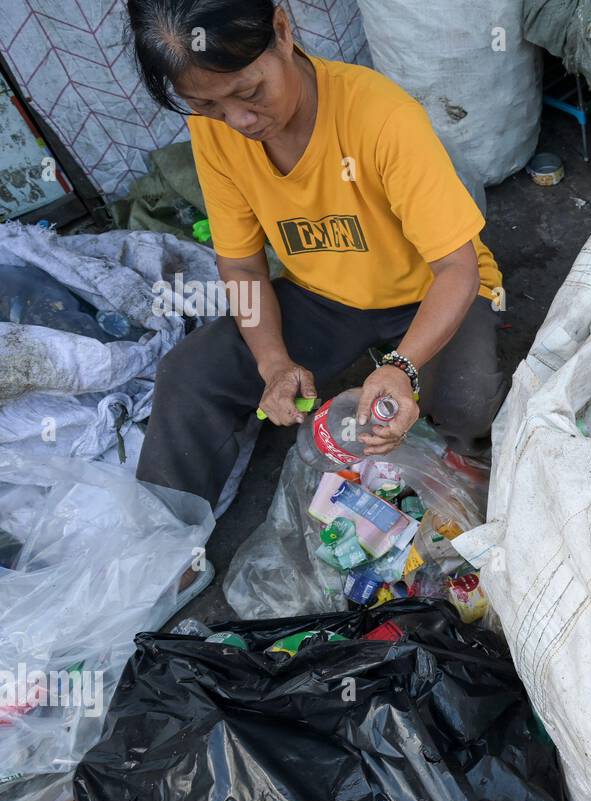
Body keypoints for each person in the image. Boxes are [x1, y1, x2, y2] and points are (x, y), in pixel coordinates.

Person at [128, 0, 507, 512]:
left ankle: (474, 488)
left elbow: (456, 268)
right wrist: (273, 362)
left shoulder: (381, 117)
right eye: (208, 106)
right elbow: (240, 265)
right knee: (189, 374)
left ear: (282, 30)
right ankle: (167, 544)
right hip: (324, 295)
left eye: (249, 91)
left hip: (429, 291)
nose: (237, 120)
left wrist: (403, 368)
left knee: (466, 401)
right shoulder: (215, 132)